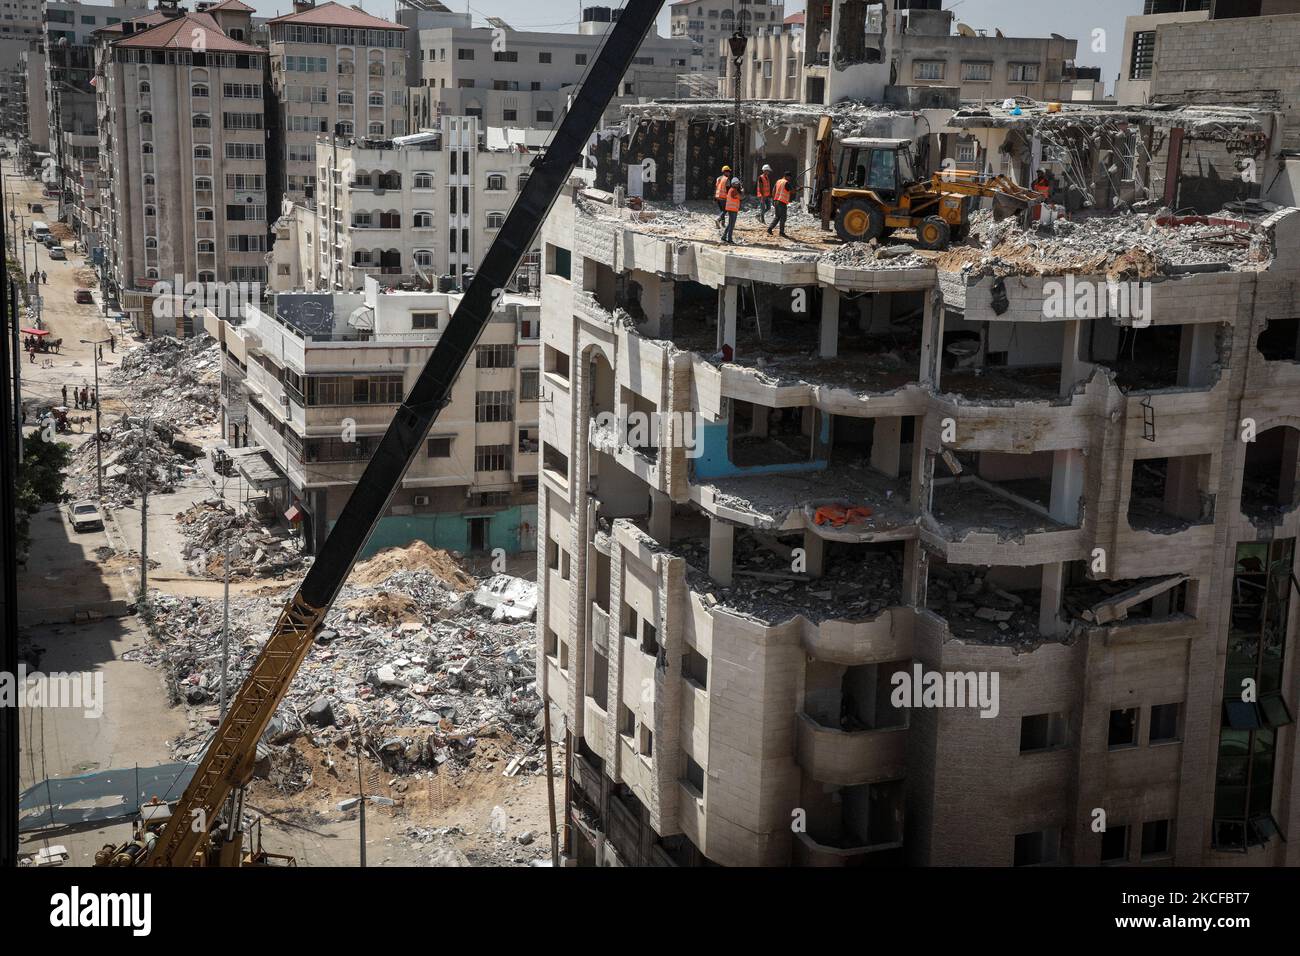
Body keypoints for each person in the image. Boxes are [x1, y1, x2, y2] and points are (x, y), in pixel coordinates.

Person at [767, 171, 794, 239]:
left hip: (776, 201)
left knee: (777, 217)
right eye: (789, 177)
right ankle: (781, 232)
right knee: (783, 218)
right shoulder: (786, 182)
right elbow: (792, 191)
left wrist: (773, 199)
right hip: (782, 202)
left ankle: (770, 228)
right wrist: (799, 189)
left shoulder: (778, 181)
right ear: (787, 176)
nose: (790, 179)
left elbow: (773, 190)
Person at [721, 178, 743, 244]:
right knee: (731, 225)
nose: (737, 185)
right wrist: (742, 191)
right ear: (733, 184)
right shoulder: (733, 190)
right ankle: (729, 239)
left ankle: (724, 237)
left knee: (730, 224)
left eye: (737, 183)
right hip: (732, 210)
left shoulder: (732, 189)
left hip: (732, 209)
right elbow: (741, 197)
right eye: (736, 183)